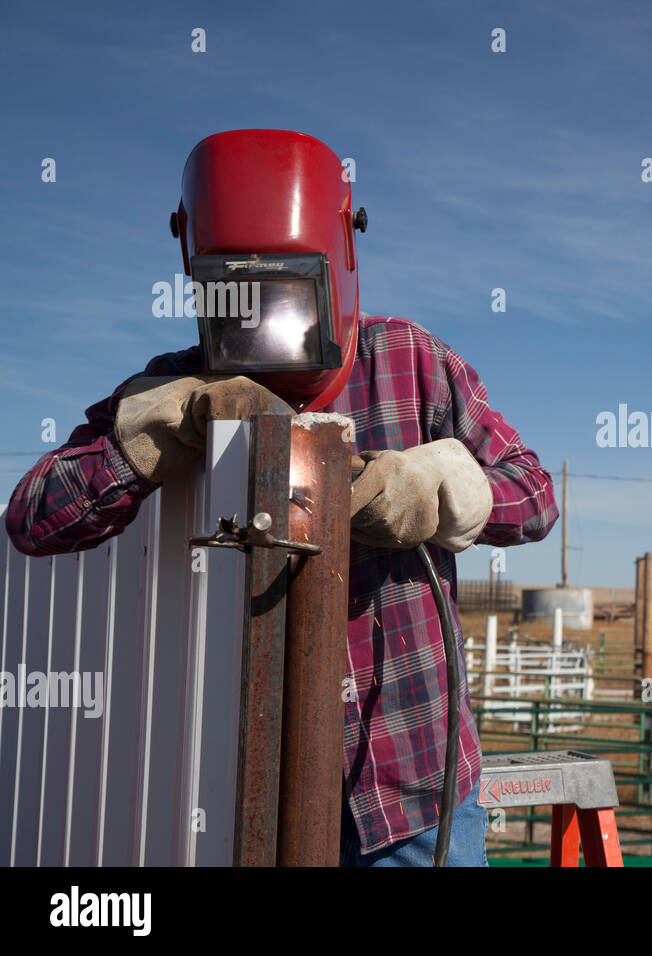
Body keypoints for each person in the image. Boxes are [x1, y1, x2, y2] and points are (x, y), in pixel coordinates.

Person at [3, 129, 558, 866]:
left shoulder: (410, 362)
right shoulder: (176, 383)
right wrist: (142, 443)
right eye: (239, 291)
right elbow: (34, 517)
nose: (266, 315)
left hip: (412, 797)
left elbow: (537, 497)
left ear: (341, 255)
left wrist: (441, 489)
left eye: (287, 290)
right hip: (237, 806)